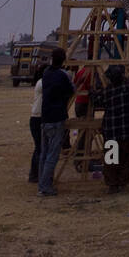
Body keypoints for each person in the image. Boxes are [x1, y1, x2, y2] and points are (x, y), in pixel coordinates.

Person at [37, 48, 74, 197]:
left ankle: (43, 183)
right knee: (52, 155)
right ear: (63, 60)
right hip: (57, 118)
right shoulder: (62, 76)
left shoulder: (46, 74)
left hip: (45, 118)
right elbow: (71, 90)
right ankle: (45, 186)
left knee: (44, 153)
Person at [97, 65, 129, 194]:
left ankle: (112, 184)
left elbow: (97, 101)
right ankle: (122, 182)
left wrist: (92, 93)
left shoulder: (108, 91)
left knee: (111, 160)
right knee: (125, 159)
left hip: (112, 131)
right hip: (127, 131)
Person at [28, 61, 47, 184]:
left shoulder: (41, 82)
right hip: (37, 118)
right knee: (39, 148)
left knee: (40, 148)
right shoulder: (42, 83)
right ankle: (35, 174)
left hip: (39, 118)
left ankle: (36, 174)